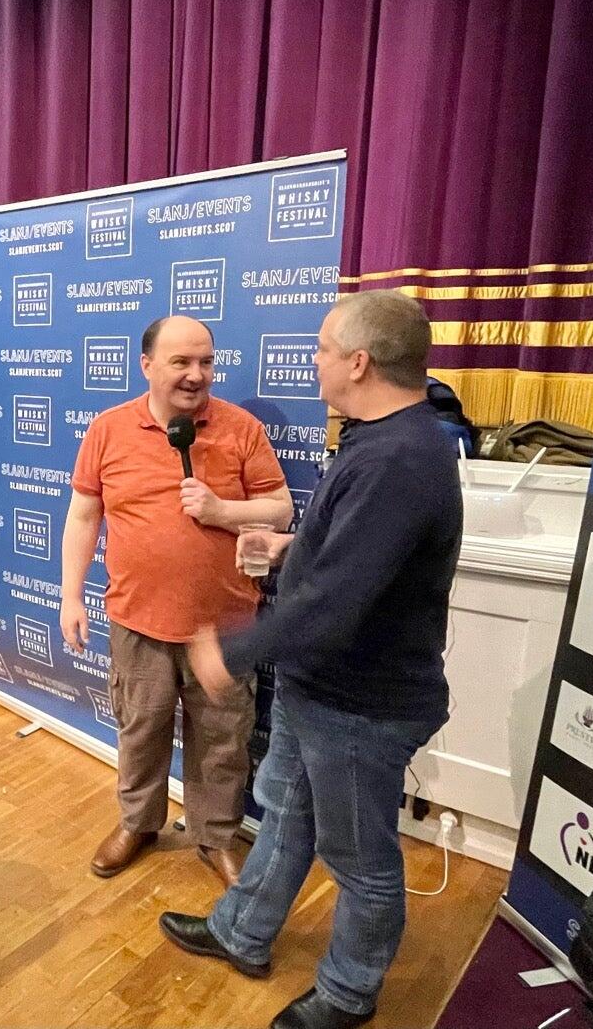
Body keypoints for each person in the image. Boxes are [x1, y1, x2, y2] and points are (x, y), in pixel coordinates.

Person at [160, 291, 461, 1029]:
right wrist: (292, 547)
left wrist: (231, 651)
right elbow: (364, 555)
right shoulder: (379, 435)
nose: (315, 361)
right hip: (318, 690)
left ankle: (349, 995)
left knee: (359, 860)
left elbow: (336, 606)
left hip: (362, 704)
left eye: (324, 350)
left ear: (358, 363)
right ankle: (242, 931)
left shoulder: (400, 457)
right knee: (287, 813)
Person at [60, 315, 292, 889]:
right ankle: (139, 823)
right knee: (141, 729)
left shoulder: (241, 429)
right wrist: (71, 595)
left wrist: (221, 512)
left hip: (223, 629)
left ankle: (214, 837)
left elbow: (281, 510)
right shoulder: (108, 430)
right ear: (147, 366)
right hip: (136, 621)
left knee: (222, 740)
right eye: (181, 363)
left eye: (206, 363)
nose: (196, 376)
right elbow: (84, 516)